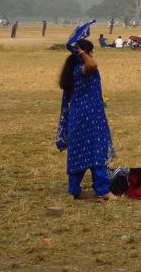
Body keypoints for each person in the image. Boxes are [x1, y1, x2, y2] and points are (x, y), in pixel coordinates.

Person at [57, 37, 115, 199]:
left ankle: (74, 189)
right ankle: (103, 190)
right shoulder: (81, 68)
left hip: (78, 116)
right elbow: (93, 64)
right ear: (85, 53)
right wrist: (82, 53)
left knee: (79, 150)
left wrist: (81, 53)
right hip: (90, 117)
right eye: (92, 53)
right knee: (96, 150)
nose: (93, 56)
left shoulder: (73, 69)